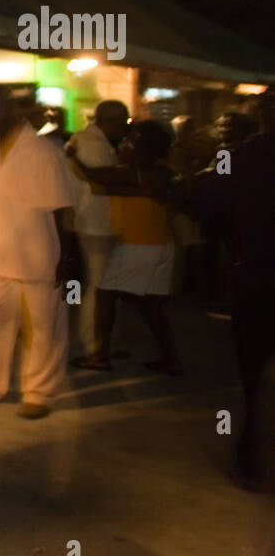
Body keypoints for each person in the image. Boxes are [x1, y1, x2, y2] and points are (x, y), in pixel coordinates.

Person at [0, 85, 76, 419]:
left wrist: (66, 258)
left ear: (13, 111)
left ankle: (40, 391)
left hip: (38, 255)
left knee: (44, 329)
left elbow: (63, 209)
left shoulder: (43, 150)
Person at [190, 90, 275, 490]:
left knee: (255, 372)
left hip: (257, 276)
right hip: (255, 273)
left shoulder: (242, 156)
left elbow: (203, 199)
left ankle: (254, 461)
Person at [71, 120, 181, 375]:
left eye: (130, 142)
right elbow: (106, 186)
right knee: (150, 305)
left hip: (138, 246)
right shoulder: (154, 173)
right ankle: (171, 359)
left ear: (144, 148)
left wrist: (73, 155)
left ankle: (99, 355)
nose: (124, 145)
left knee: (105, 294)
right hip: (157, 245)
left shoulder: (139, 173)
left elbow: (95, 177)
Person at [66, 100, 130, 367]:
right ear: (112, 120)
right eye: (123, 122)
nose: (125, 127)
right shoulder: (92, 143)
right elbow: (101, 183)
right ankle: (95, 346)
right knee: (99, 286)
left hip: (99, 222)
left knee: (104, 285)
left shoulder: (93, 140)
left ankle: (102, 344)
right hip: (95, 223)